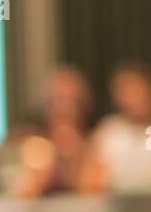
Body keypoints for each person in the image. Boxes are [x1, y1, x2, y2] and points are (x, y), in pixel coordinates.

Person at [80, 62, 151, 190]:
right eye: (127, 92)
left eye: (138, 90)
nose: (134, 98)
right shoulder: (108, 131)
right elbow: (90, 179)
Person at [9, 64, 95, 196]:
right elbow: (23, 194)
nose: (63, 108)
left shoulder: (96, 143)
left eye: (70, 101)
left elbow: (92, 191)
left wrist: (74, 159)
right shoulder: (33, 146)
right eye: (58, 100)